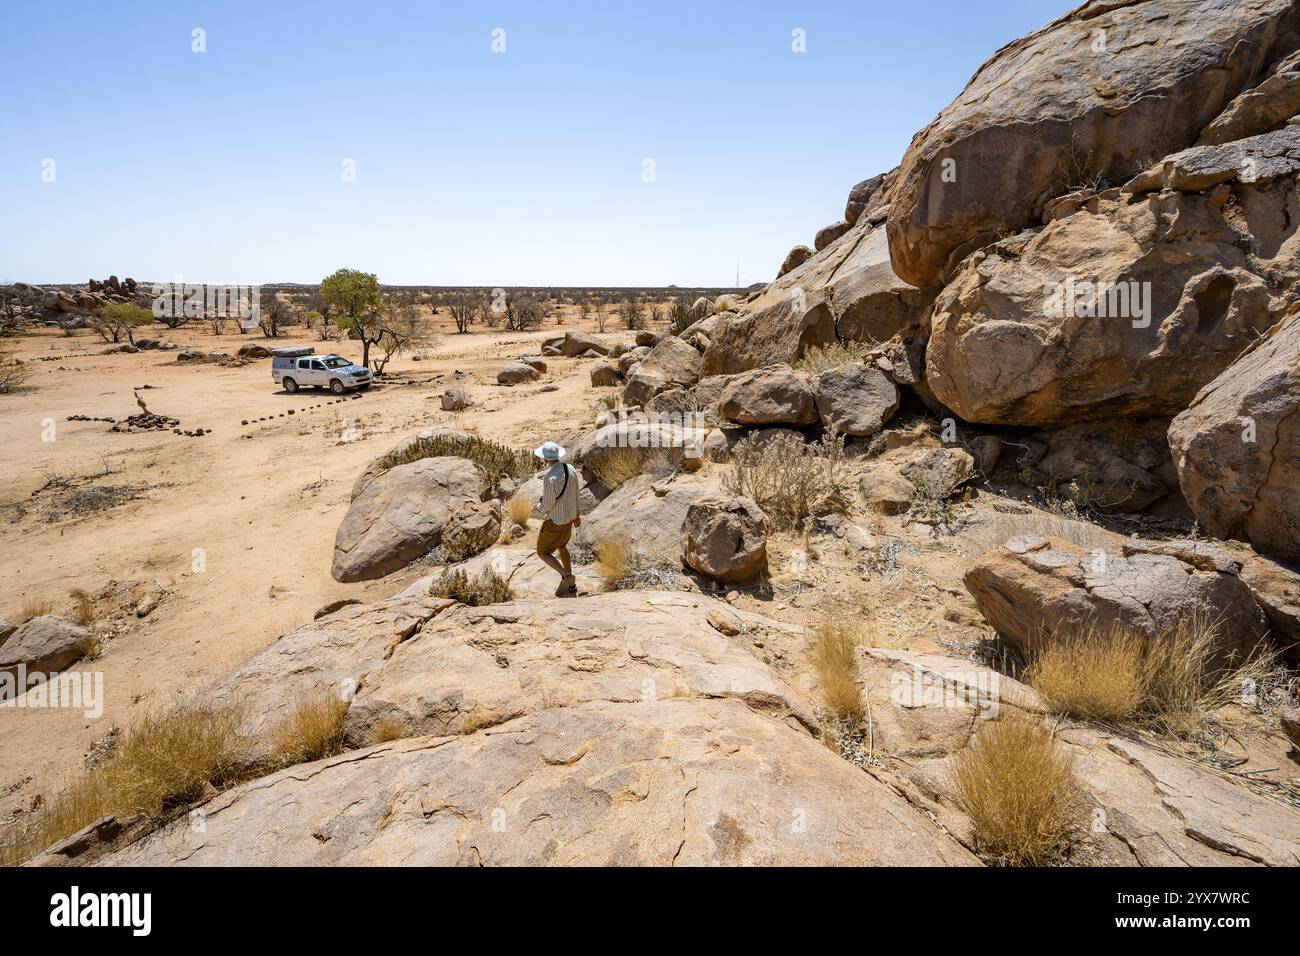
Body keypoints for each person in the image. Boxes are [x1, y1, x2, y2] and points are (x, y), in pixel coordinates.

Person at [533, 440, 581, 596]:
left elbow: (547, 505)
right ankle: (572, 586)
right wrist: (577, 514)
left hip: (554, 521)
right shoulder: (571, 469)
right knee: (562, 547)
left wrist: (538, 508)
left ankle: (566, 576)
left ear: (545, 459)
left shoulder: (549, 477)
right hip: (568, 520)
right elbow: (576, 494)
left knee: (542, 552)